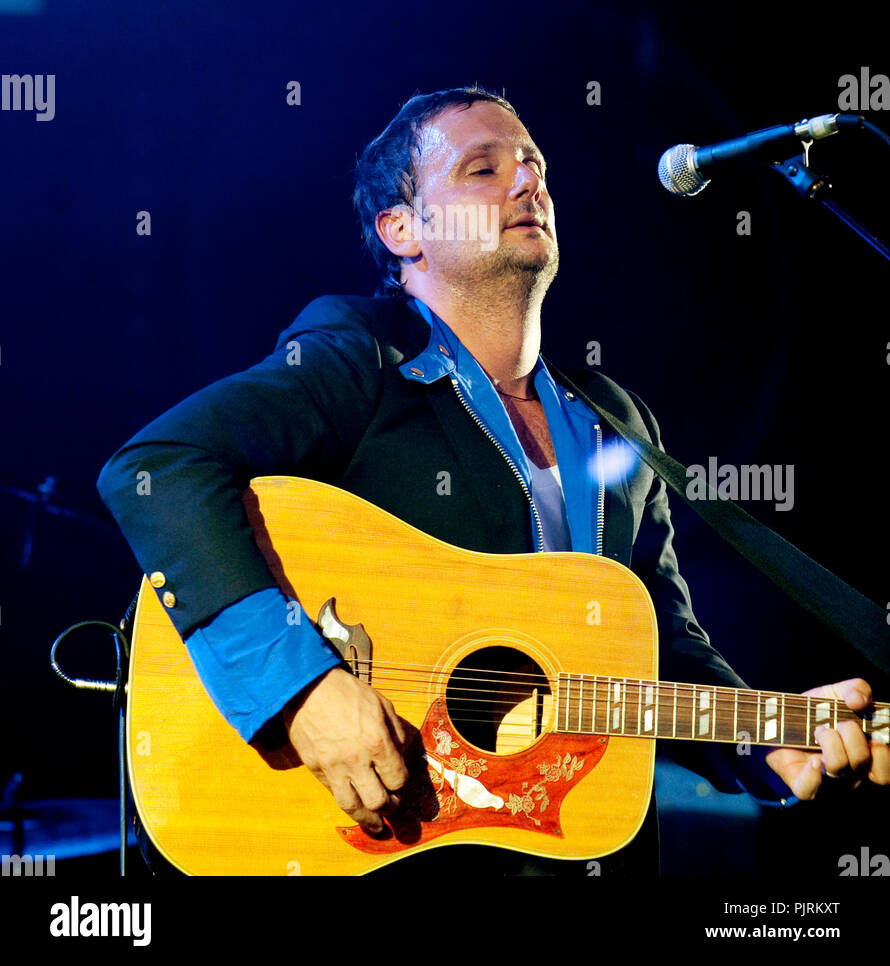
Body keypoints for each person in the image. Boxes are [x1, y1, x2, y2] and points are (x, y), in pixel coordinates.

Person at [97, 85, 887, 877]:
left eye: (534, 165)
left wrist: (769, 738)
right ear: (402, 229)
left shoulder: (617, 421)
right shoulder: (357, 357)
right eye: (483, 169)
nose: (527, 183)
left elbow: (657, 653)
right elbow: (155, 469)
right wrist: (303, 691)